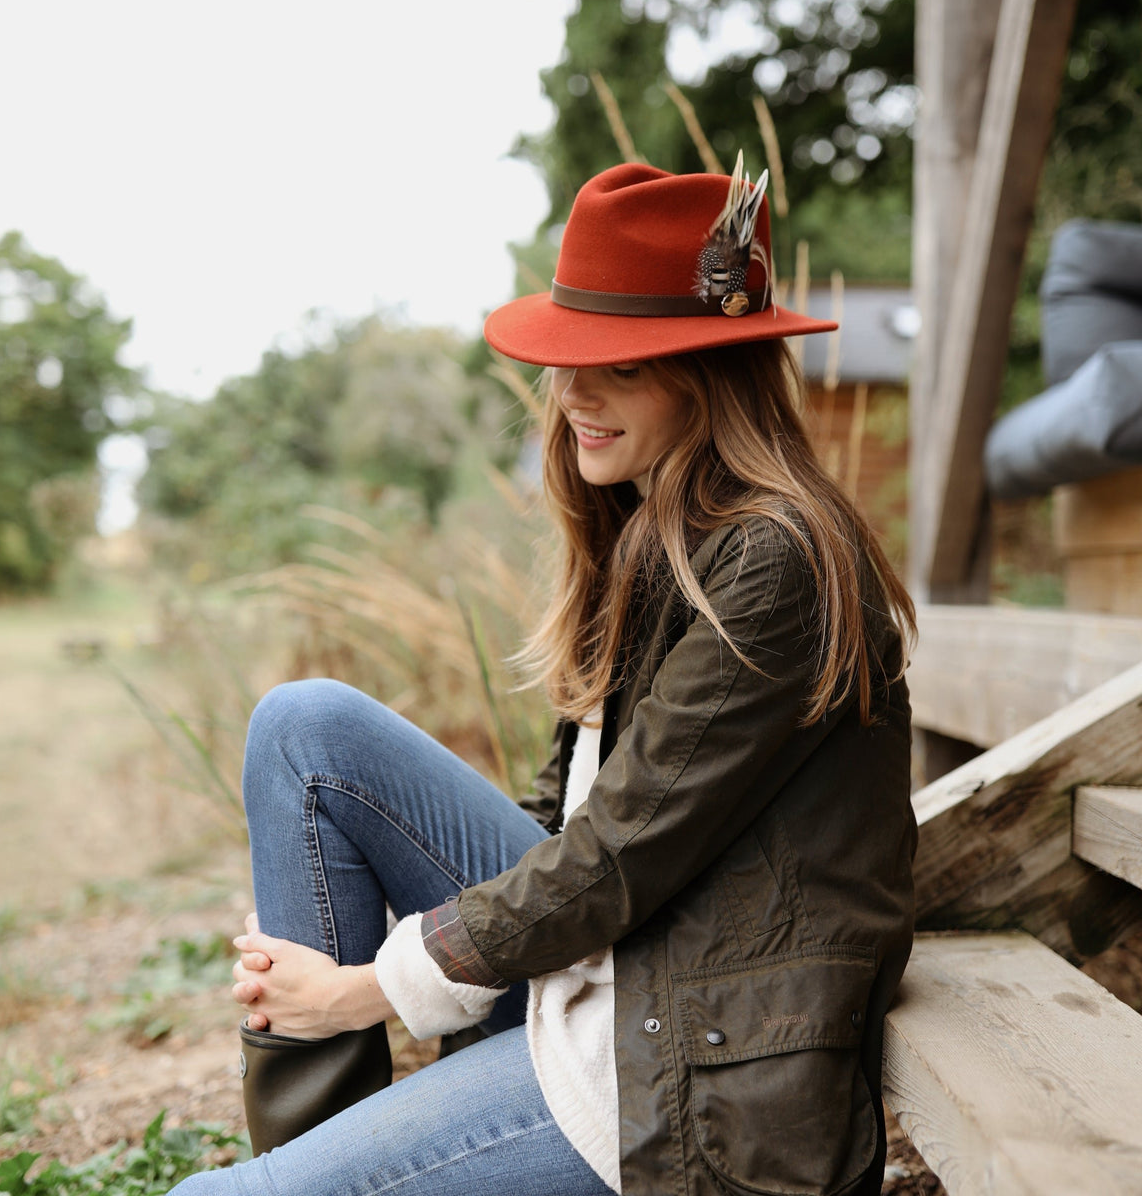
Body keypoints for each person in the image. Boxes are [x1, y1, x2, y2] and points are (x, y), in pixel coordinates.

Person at [170, 155, 917, 1196]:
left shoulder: (775, 561)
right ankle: (312, 1151)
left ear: (711, 371)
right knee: (306, 731)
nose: (570, 395)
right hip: (618, 967)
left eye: (616, 364)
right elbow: (575, 815)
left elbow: (613, 859)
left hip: (678, 1048)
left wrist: (362, 991)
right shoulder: (661, 531)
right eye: (568, 360)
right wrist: (358, 977)